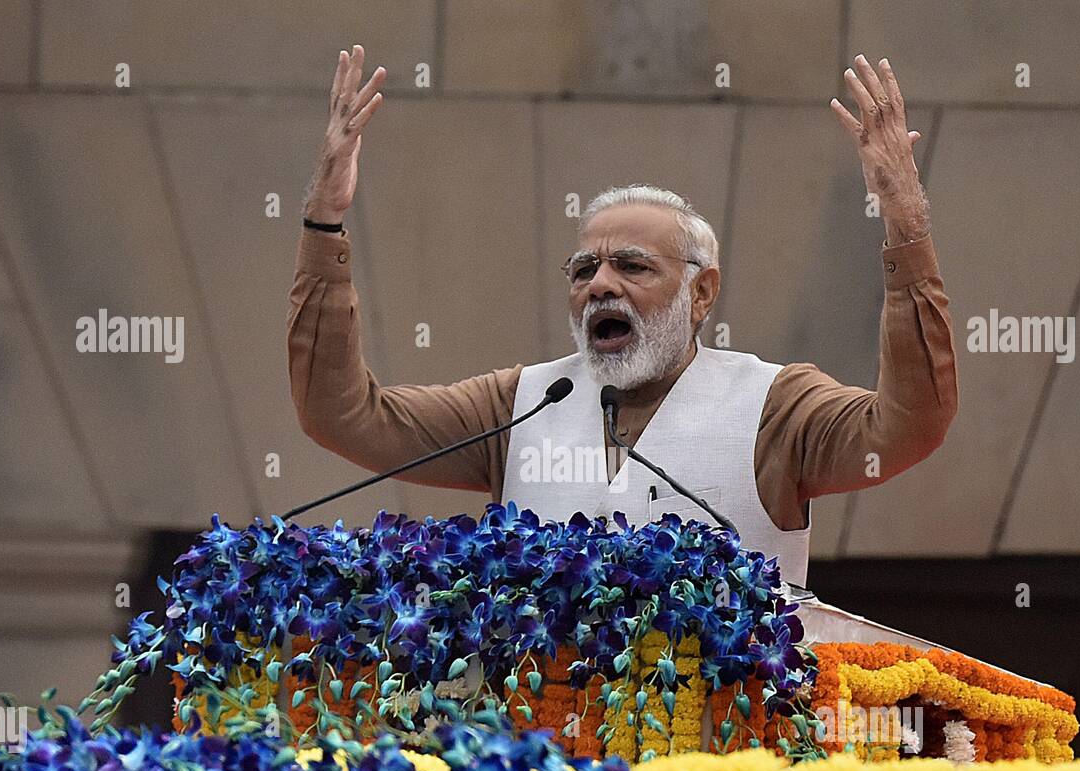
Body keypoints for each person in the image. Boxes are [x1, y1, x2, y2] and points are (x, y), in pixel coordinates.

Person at [288, 47, 957, 587]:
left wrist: (905, 221)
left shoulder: (774, 409)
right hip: (549, 747)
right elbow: (342, 416)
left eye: (631, 267)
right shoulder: (520, 404)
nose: (599, 285)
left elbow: (909, 426)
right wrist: (323, 223)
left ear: (701, 293)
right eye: (584, 271)